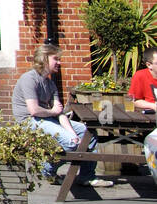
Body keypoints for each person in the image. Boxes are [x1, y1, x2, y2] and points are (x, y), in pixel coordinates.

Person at [13, 43, 112, 189]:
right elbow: (34, 110)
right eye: (56, 59)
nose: (59, 62)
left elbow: (60, 112)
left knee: (88, 134)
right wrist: (53, 113)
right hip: (29, 121)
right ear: (44, 59)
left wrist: (73, 133)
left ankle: (87, 176)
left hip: (46, 118)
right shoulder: (29, 79)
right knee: (71, 143)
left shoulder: (50, 83)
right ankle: (47, 169)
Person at [127, 46, 157, 113]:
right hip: (150, 116)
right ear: (149, 65)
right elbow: (134, 100)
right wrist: (153, 106)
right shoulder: (140, 76)